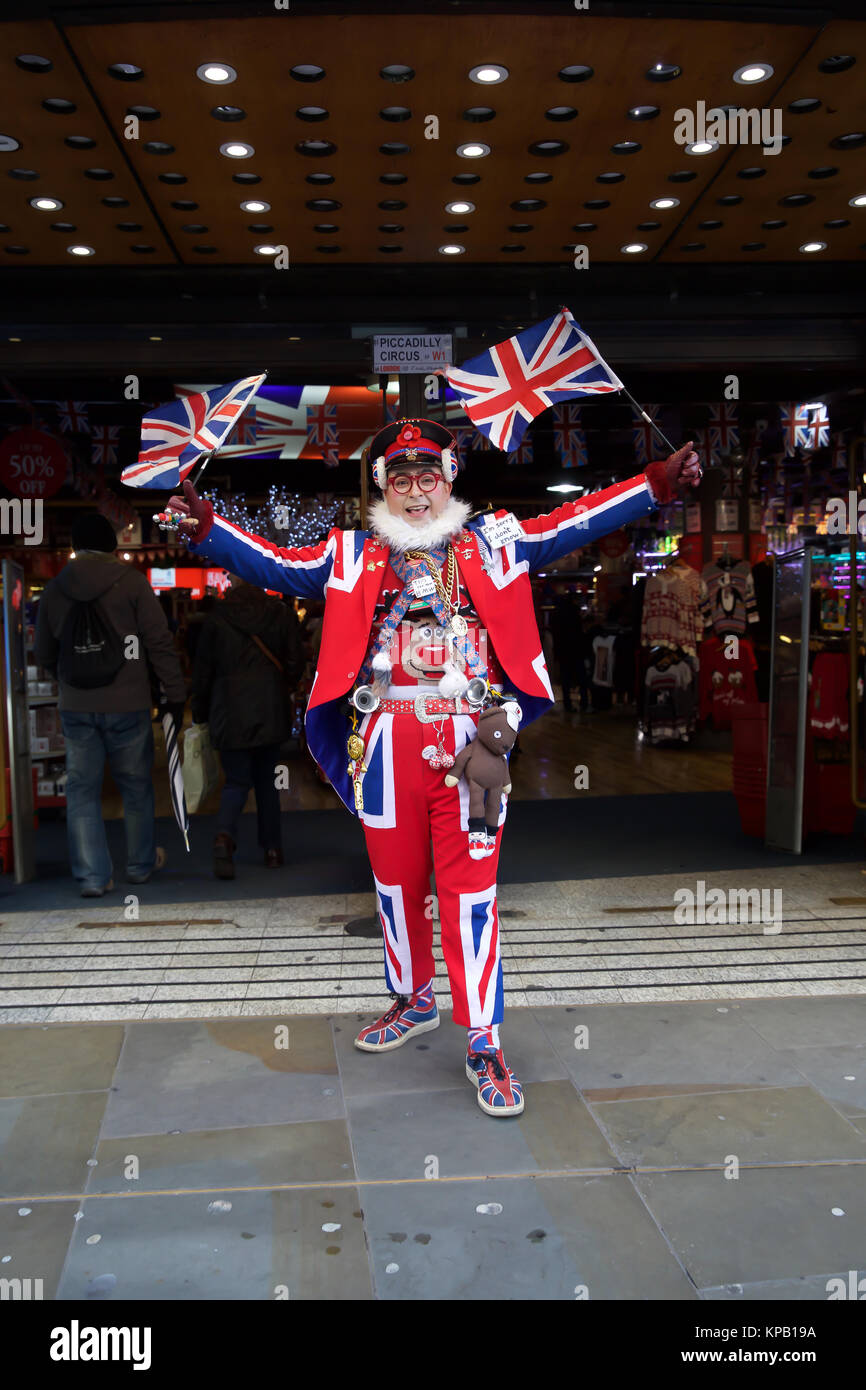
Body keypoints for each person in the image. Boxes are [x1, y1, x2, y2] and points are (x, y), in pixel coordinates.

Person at [167, 419, 701, 1116]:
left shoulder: (493, 542)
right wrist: (206, 525)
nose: (415, 492)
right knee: (393, 883)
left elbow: (573, 521)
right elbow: (273, 562)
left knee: (471, 895)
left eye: (427, 477)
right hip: (385, 743)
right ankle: (414, 996)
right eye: (400, 478)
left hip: (469, 747)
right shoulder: (351, 554)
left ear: (449, 481)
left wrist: (654, 483)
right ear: (382, 487)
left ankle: (484, 1040)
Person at [34, 513, 185, 897]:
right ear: (113, 547)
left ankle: (92, 877)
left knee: (81, 790)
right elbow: (159, 642)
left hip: (77, 705)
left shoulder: (54, 589)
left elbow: (44, 653)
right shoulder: (131, 583)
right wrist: (174, 693)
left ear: (75, 547)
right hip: (128, 702)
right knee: (135, 786)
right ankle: (139, 866)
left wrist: (67, 681)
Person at [191, 574, 303, 878]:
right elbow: (295, 660)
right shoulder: (280, 613)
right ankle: (272, 849)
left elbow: (203, 671)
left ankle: (224, 838)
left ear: (232, 580)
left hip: (229, 709)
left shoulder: (217, 617)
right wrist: (284, 686)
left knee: (236, 780)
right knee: (268, 781)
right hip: (269, 704)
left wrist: (199, 711)